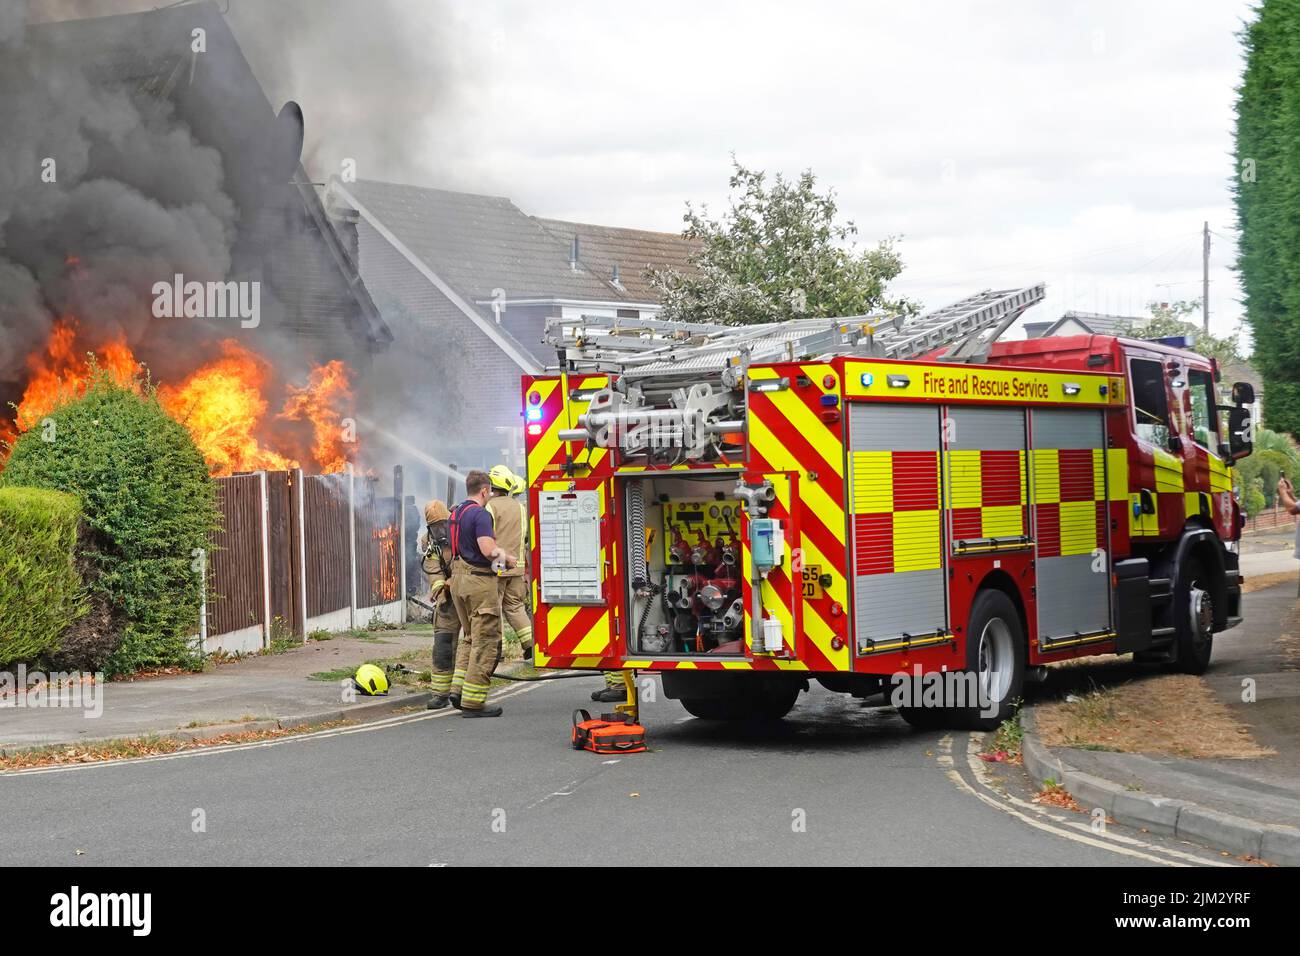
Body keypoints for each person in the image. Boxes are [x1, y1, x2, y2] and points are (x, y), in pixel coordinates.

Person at [449, 469, 518, 718]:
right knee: (486, 640)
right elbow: (487, 549)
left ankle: (457, 690)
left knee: (469, 637)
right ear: (485, 490)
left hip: (458, 581)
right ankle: (474, 702)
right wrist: (507, 558)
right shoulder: (480, 514)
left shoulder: (455, 513)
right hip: (479, 583)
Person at [485, 465, 533, 660]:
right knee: (515, 607)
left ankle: (497, 650)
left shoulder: (490, 506)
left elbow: (487, 537)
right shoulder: (519, 507)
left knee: (493, 608)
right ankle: (530, 645)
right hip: (518, 568)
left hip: (497, 565)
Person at [417, 500, 460, 710]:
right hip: (448, 599)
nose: (440, 531)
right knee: (443, 645)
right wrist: (442, 589)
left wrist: (458, 579)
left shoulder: (462, 530)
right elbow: (433, 572)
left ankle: (463, 692)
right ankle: (441, 694)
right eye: (435, 527)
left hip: (469, 596)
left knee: (475, 644)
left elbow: (471, 560)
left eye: (443, 525)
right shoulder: (429, 543)